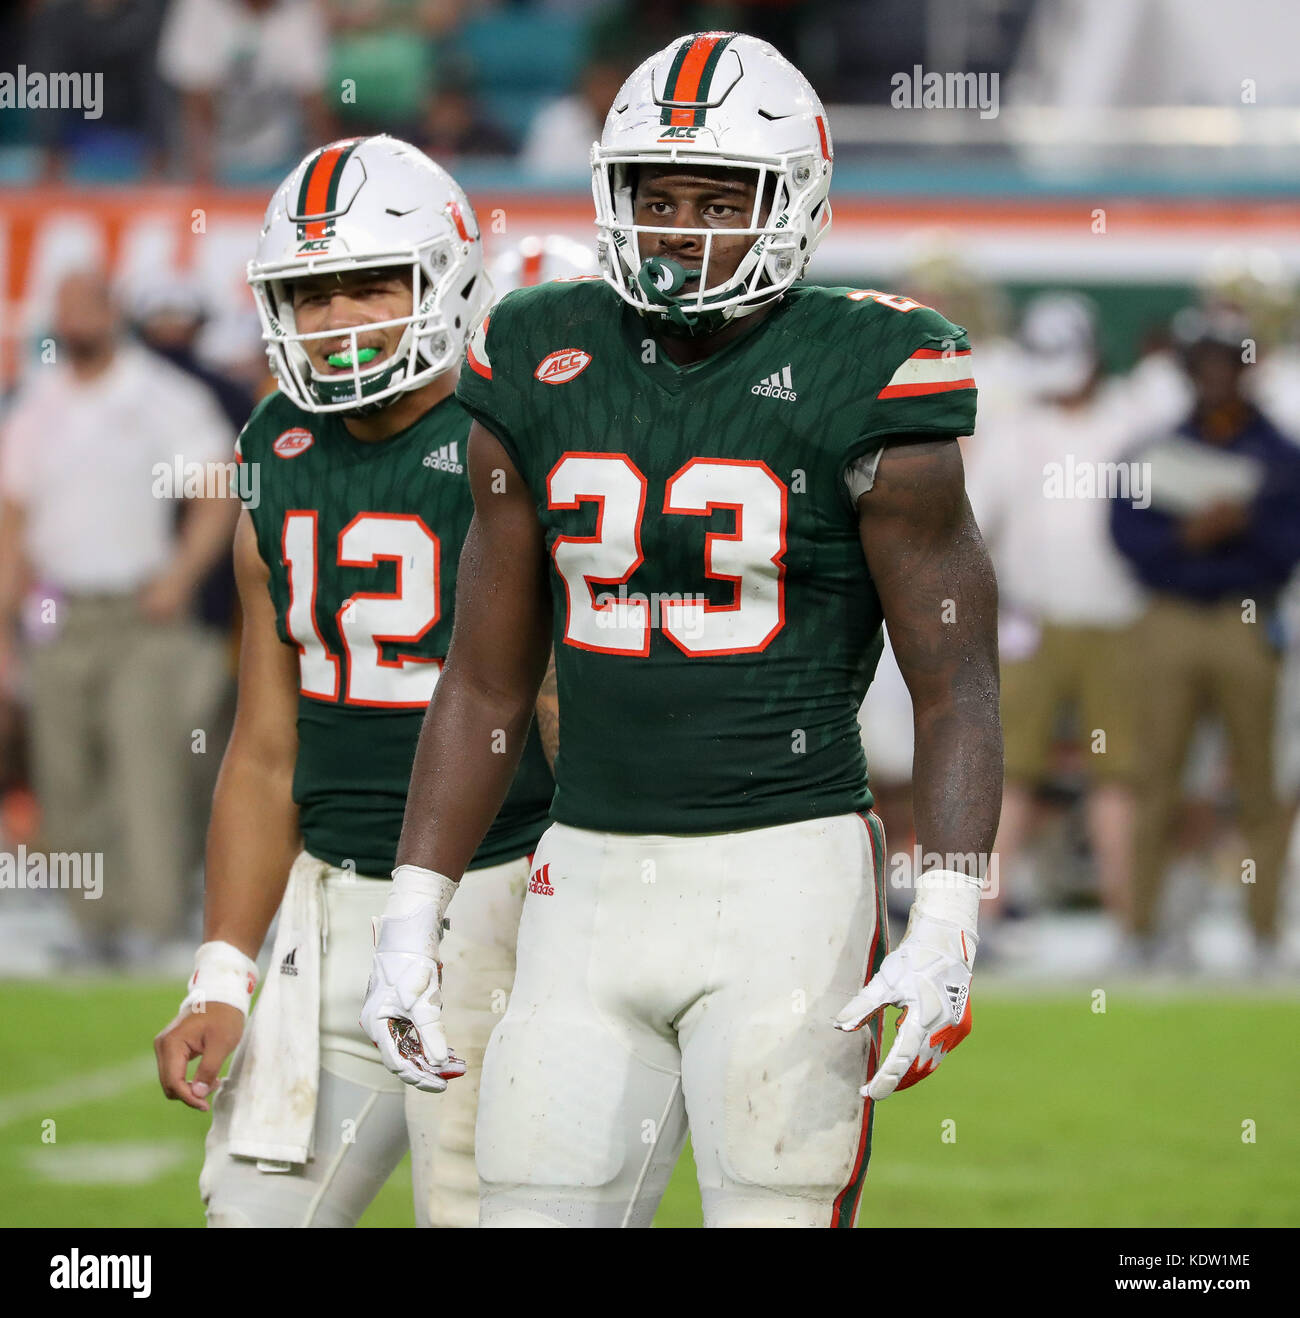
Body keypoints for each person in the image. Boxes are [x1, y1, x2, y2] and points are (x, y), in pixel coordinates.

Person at [364, 33, 1003, 1228]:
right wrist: (412, 910)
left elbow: (956, 680)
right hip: (582, 876)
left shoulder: (873, 364)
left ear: (795, 200)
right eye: (657, 198)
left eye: (720, 200)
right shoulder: (534, 350)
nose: (682, 231)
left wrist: (950, 913)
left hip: (787, 875)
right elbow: (486, 681)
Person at [153, 135, 555, 1228]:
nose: (336, 319)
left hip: (495, 900)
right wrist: (222, 972)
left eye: (371, 284)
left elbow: (572, 713)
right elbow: (265, 747)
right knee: (248, 1216)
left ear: (447, 279)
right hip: (328, 906)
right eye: (310, 293)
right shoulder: (276, 445)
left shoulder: (518, 432)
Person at [0, 269, 237, 965]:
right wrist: (10, 612)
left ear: (113, 314)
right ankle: (91, 923)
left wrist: (180, 575)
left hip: (139, 610)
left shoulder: (159, 393)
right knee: (65, 770)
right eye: (65, 307)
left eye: (87, 306)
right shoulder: (39, 401)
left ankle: (153, 924)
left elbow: (219, 488)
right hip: (56, 607)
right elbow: (14, 512)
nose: (74, 320)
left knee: (145, 765)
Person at [1110, 306, 1300, 974]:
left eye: (1228, 361)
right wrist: (1192, 535)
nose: (1216, 374)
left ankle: (1264, 932)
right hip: (1170, 618)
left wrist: (1236, 530)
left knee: (1259, 782)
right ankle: (1142, 930)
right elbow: (1128, 537)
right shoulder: (1156, 446)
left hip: (1246, 618)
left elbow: (1286, 546)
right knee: (1156, 776)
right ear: (1190, 372)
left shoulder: (1278, 452)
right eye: (1205, 363)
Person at [966, 293, 1145, 949]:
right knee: (1008, 772)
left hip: (1120, 620)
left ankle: (1132, 926)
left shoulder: (1131, 420)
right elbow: (973, 524)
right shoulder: (1014, 430)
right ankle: (979, 924)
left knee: (1120, 773)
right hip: (1030, 622)